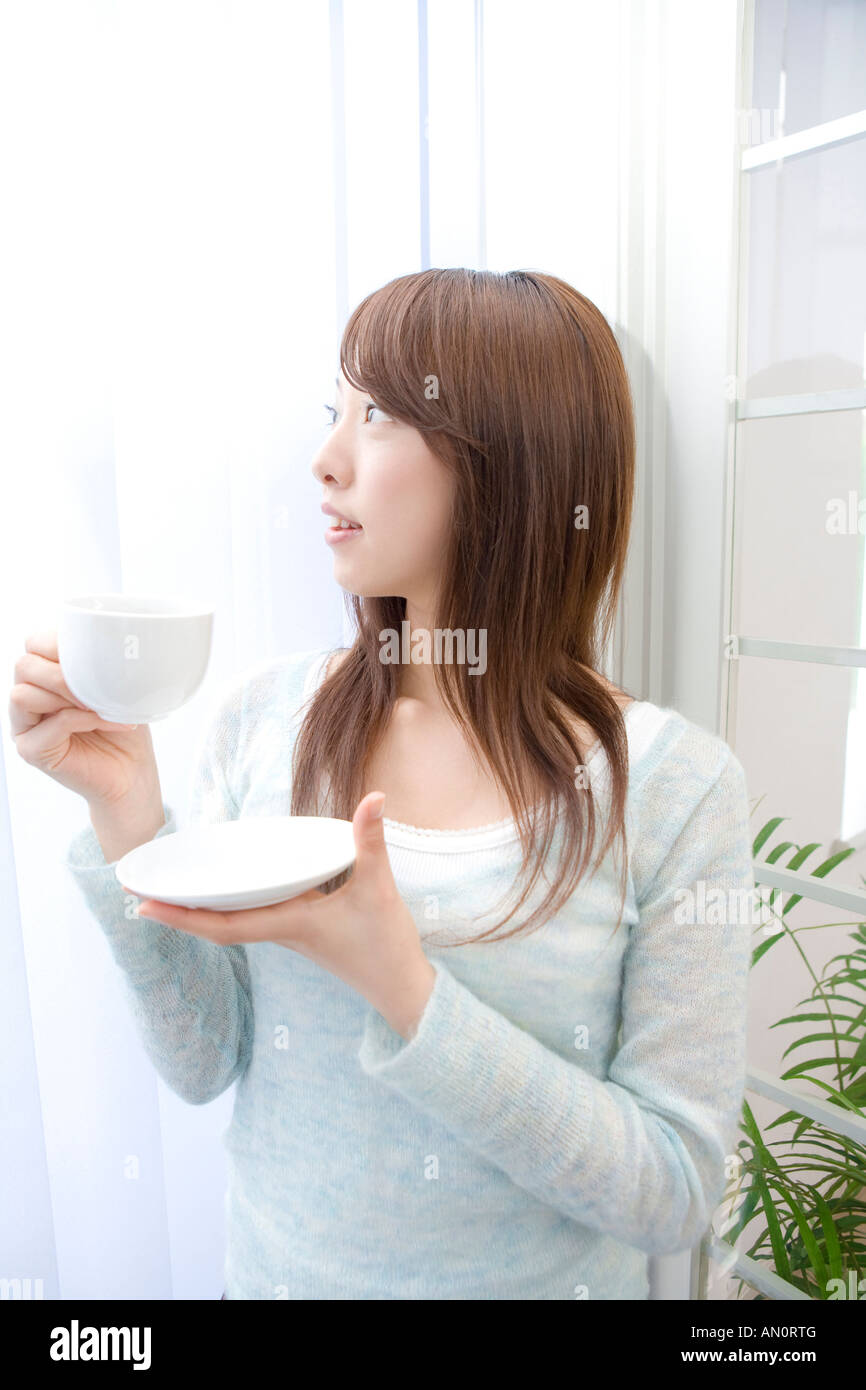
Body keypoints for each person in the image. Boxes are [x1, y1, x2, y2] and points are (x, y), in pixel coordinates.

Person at [12, 268, 755, 1300]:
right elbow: (202, 1062)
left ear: (515, 462)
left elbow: (671, 1190)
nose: (323, 462)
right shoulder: (267, 722)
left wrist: (402, 985)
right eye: (334, 415)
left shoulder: (675, 791)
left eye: (381, 418)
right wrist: (126, 811)